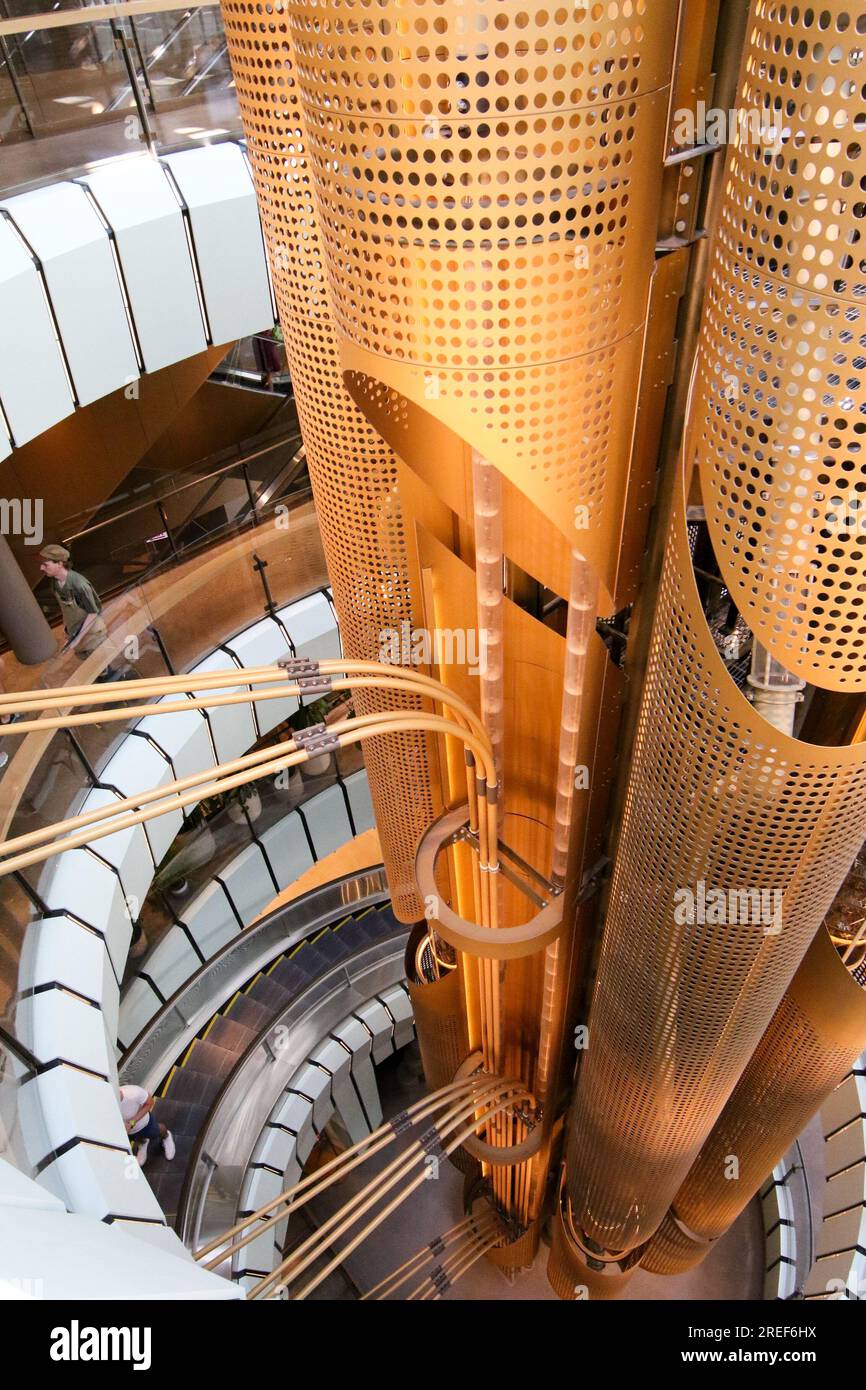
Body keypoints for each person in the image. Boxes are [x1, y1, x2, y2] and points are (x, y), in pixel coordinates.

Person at [38, 544, 120, 680]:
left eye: (45, 565)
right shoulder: (54, 584)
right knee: (92, 665)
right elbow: (65, 608)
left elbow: (93, 613)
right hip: (76, 631)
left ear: (59, 563)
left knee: (101, 665)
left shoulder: (79, 585)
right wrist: (66, 629)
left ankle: (115, 685)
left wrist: (77, 638)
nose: (41, 568)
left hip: (92, 633)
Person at [118, 1084, 175, 1168]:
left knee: (158, 1131)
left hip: (145, 1124)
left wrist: (131, 1123)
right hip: (130, 1132)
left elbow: (150, 1102)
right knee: (138, 1138)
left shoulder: (133, 1093)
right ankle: (144, 1142)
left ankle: (167, 1136)